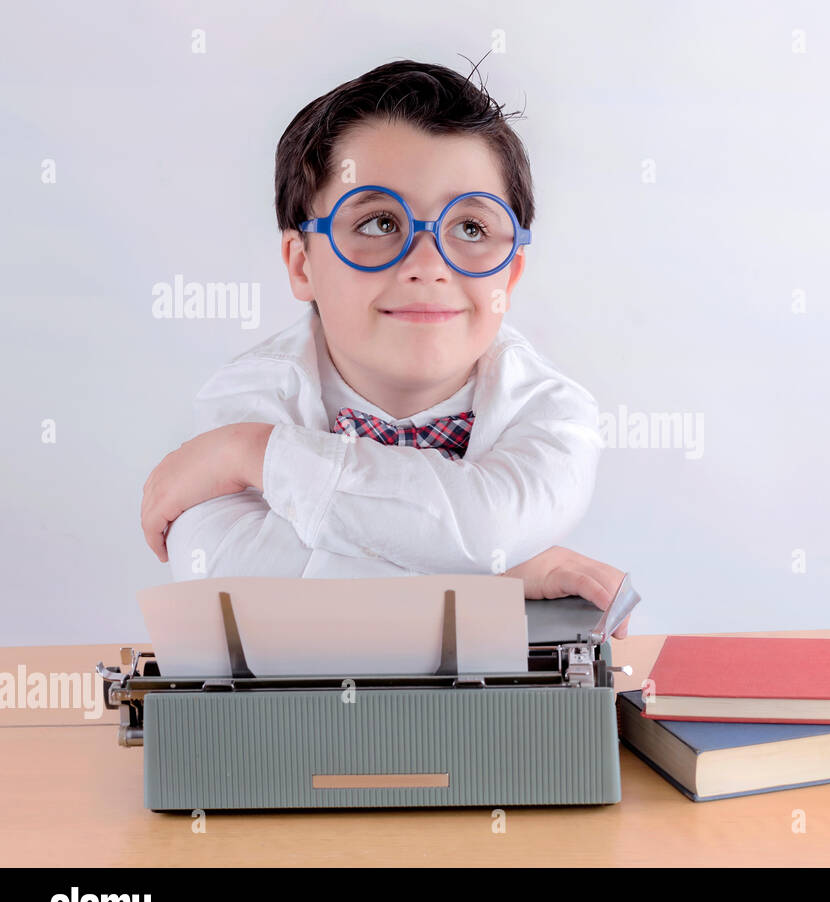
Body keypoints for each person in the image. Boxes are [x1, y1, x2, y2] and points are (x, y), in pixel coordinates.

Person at [139, 59, 631, 636]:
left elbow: (489, 525)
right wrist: (494, 582)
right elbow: (230, 584)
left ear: (510, 276)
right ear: (302, 265)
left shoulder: (556, 412)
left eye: (470, 228)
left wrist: (259, 454)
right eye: (378, 223)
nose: (428, 266)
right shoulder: (247, 393)